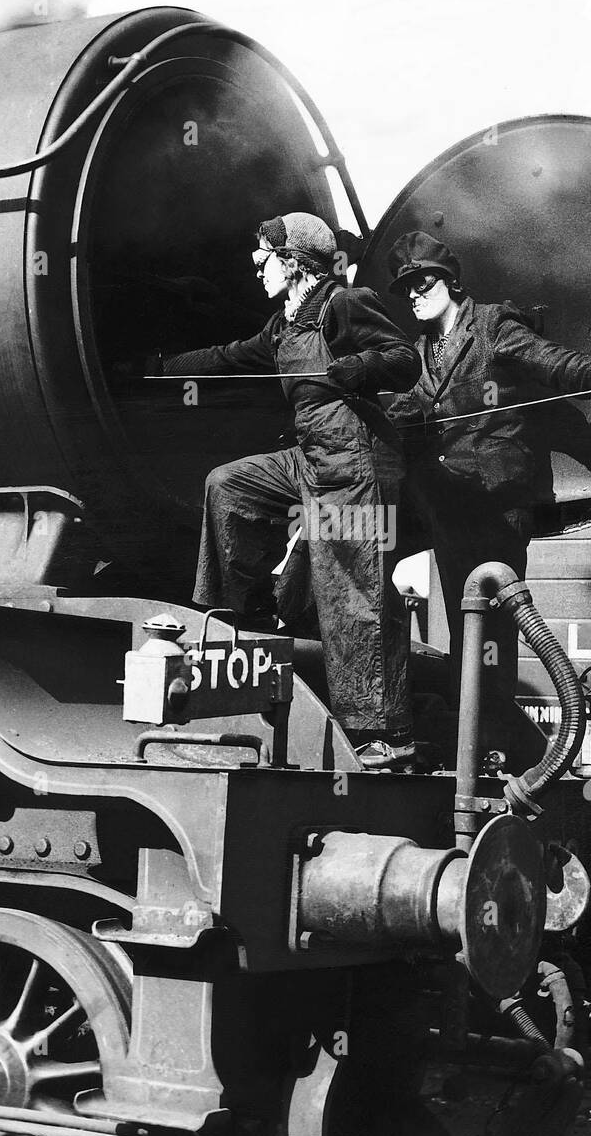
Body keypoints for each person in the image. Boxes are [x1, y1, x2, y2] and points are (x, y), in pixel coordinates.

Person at [163, 212, 420, 769]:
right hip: (310, 461)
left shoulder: (343, 304)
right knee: (228, 487)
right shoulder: (285, 323)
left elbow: (405, 359)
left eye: (264, 257)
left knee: (352, 585)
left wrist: (359, 367)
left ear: (295, 260)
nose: (256, 267)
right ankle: (247, 621)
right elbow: (230, 357)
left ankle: (381, 732)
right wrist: (160, 368)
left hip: (361, 468)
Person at [385, 229, 591, 741]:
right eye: (407, 289)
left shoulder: (492, 326)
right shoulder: (417, 354)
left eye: (423, 283)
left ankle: (490, 743)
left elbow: (554, 364)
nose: (414, 295)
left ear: (450, 283)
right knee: (373, 561)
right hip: (444, 502)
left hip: (494, 503)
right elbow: (404, 414)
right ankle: (453, 727)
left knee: (486, 630)